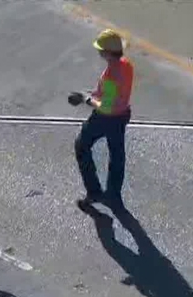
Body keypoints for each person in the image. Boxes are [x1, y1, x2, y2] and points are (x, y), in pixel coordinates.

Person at [68, 29, 134, 211]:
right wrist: (92, 93)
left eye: (100, 49)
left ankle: (94, 191)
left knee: (82, 145)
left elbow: (106, 106)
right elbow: (114, 95)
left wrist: (86, 99)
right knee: (117, 155)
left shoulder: (112, 74)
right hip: (122, 115)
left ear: (107, 53)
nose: (98, 52)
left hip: (106, 118)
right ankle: (113, 195)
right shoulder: (126, 65)